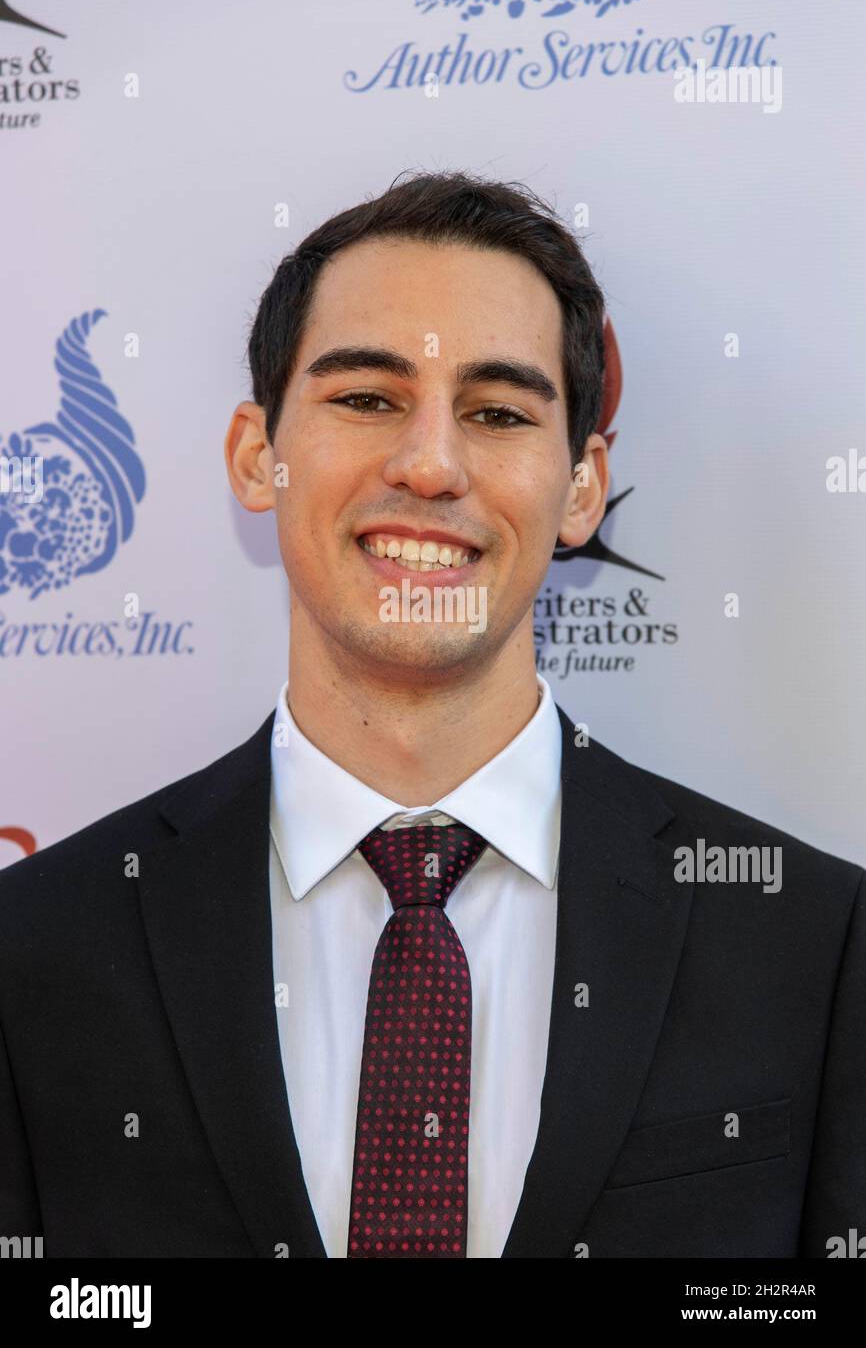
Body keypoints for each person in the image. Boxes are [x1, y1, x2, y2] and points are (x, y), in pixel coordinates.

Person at [1, 171, 862, 1259]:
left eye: (497, 413)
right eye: (367, 398)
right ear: (255, 454)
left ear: (582, 489)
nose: (429, 464)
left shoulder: (811, 943)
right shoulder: (36, 947)